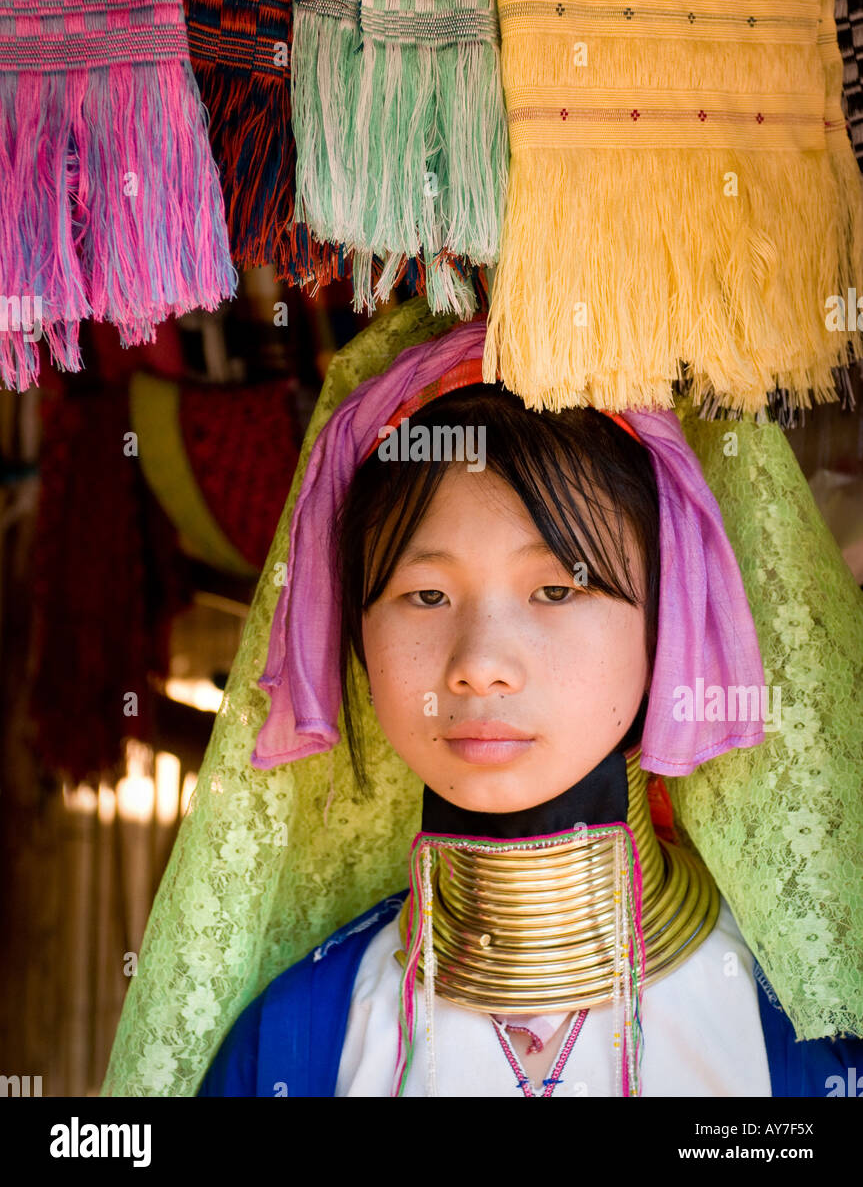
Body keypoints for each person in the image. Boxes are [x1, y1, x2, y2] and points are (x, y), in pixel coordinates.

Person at [195, 320, 863, 1098]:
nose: (478, 665)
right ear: (353, 636)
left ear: (673, 625)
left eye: (556, 590)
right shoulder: (290, 1047)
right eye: (426, 595)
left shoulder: (803, 1036)